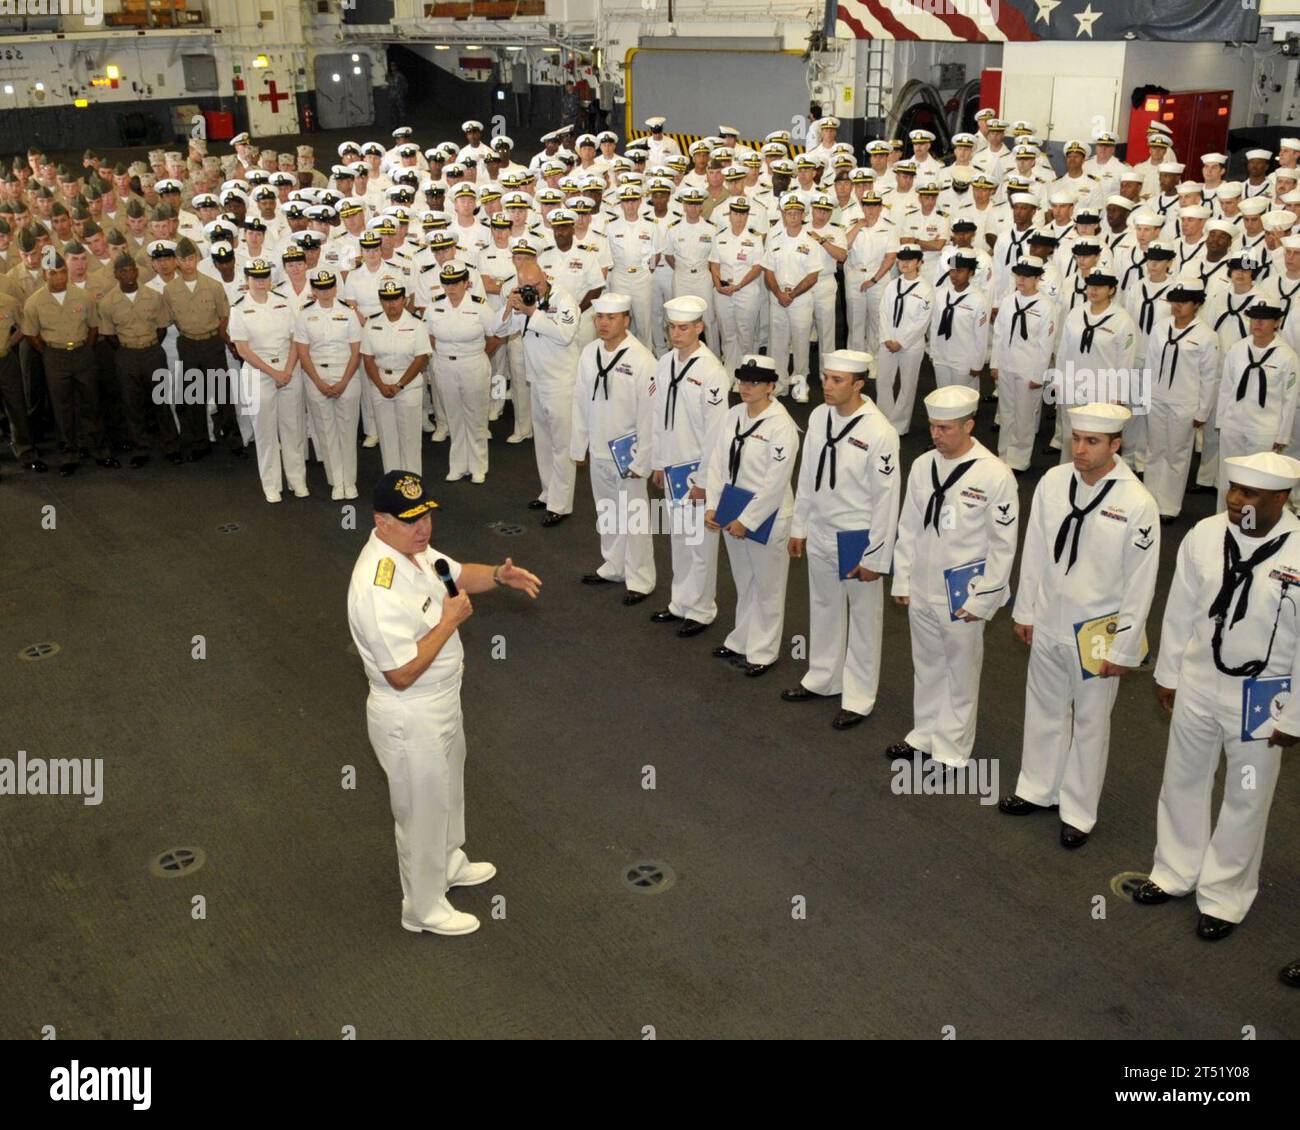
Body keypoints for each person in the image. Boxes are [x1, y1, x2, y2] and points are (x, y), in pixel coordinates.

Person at [347, 469, 541, 936]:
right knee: (420, 808)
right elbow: (400, 673)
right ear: (380, 521)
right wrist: (450, 622)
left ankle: (448, 863)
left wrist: (497, 575)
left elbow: (454, 573)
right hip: (409, 711)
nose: (424, 527)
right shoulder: (378, 585)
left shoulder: (414, 552)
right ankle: (423, 907)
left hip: (441, 701)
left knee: (447, 790)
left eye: (426, 515)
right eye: (411, 520)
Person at [1134, 452, 1300, 940]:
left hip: (1263, 698)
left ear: (1280, 498)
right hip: (1199, 681)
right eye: (1232, 488)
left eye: (1249, 494)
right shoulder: (1206, 536)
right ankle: (1174, 871)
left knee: (1246, 795)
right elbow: (1180, 609)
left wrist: (1294, 716)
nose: (1233, 499)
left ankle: (1225, 895)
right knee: (1183, 777)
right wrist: (1167, 672)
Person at [1001, 403, 1160, 848]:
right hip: (1049, 616)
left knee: (1091, 722)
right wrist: (1026, 610)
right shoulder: (1053, 483)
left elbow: (1141, 584)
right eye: (1076, 439)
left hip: (1098, 632)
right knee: (1044, 707)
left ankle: (1078, 811)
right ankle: (1037, 786)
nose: (1081, 449)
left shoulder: (1136, 502)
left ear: (1116, 444)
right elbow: (1033, 550)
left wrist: (1124, 649)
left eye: (1092, 442)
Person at [889, 385, 1019, 767]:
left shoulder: (995, 474)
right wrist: (902, 579)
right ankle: (925, 734)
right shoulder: (923, 465)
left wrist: (983, 599)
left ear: (969, 426)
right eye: (932, 427)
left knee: (961, 672)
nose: (936, 435)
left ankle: (952, 749)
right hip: (923, 585)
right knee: (927, 664)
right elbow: (909, 525)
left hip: (963, 591)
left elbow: (1003, 545)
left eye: (946, 429)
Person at [783, 349, 900, 728]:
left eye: (837, 381)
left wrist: (876, 557)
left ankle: (859, 696)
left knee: (865, 620)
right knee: (823, 606)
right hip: (819, 527)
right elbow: (806, 476)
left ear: (859, 384)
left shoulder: (878, 431)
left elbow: (887, 501)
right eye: (825, 379)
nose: (827, 387)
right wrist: (798, 526)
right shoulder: (818, 417)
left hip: (857, 537)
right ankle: (823, 677)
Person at [705, 355, 799, 676]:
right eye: (743, 381)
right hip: (733, 504)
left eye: (755, 382)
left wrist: (748, 519)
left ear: (772, 386)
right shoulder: (733, 415)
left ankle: (763, 651)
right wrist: (713, 504)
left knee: (768, 585)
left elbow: (776, 481)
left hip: (766, 514)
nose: (746, 387)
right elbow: (718, 461)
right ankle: (741, 639)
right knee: (744, 580)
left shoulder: (782, 426)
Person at [648, 294, 730, 636]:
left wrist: (703, 480)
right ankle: (679, 602)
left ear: (700, 328)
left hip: (696, 468)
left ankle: (701, 608)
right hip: (671, 465)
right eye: (672, 327)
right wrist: (657, 462)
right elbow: (657, 417)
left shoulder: (711, 371)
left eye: (684, 328)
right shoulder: (665, 362)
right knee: (678, 538)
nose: (676, 333)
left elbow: (717, 432)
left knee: (700, 543)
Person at [571, 292, 657, 604]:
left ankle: (641, 578)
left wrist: (644, 459)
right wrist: (579, 445)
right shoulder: (589, 352)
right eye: (599, 318)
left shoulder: (642, 359)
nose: (604, 324)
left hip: (629, 450)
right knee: (606, 511)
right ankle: (614, 565)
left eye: (611, 318)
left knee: (634, 515)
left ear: (626, 321)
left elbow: (649, 416)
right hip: (599, 447)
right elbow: (580, 400)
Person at [492, 253, 581, 526]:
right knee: (542, 443)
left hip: (561, 382)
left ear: (545, 278)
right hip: (537, 381)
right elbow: (498, 330)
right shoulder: (522, 300)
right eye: (525, 286)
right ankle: (547, 492)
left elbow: (564, 335)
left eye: (536, 284)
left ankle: (561, 504)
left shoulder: (564, 299)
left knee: (562, 446)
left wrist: (533, 312)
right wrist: (509, 306)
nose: (533, 290)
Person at [21, 251, 118, 477]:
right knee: (61, 407)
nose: (59, 277)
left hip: (83, 353)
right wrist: (48, 352)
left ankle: (99, 450)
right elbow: (31, 334)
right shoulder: (34, 302)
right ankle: (69, 455)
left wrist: (86, 348)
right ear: (45, 275)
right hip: (55, 356)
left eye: (62, 272)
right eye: (53, 273)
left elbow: (93, 327)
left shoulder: (83, 297)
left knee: (91, 402)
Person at [1141, 280, 1220, 523]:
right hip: (1157, 396)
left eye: (1183, 301)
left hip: (1185, 402)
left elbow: (1210, 377)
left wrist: (1202, 412)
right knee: (1155, 450)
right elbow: (1151, 363)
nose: (1177, 306)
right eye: (1174, 300)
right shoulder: (1161, 327)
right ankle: (1149, 499)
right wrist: (1145, 394)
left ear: (1196, 304)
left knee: (1177, 454)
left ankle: (1169, 506)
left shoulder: (1206, 335)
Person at [230, 257, 305, 503]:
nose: (261, 282)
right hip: (258, 373)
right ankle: (271, 485)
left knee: (292, 429)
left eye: (264, 277)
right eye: (256, 278)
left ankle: (297, 480)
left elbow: (296, 339)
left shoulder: (283, 303)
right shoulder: (239, 308)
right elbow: (242, 349)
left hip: (288, 368)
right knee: (265, 433)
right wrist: (275, 373)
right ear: (247, 280)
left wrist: (287, 370)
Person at [96, 251, 180, 468]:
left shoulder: (153, 296)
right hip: (126, 355)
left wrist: (149, 345)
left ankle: (171, 446)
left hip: (152, 351)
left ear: (137, 271)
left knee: (161, 401)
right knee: (132, 404)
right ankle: (140, 448)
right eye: (123, 271)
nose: (129, 275)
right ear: (116, 274)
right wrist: (128, 349)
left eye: (131, 270)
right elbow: (109, 335)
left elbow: (162, 327)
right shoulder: (107, 303)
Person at [424, 261, 503, 485]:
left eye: (456, 282)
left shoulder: (480, 306)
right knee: (454, 416)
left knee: (476, 417)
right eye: (446, 283)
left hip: (473, 364)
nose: (451, 287)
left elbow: (496, 335)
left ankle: (479, 466)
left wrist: (481, 354)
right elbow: (428, 335)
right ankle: (458, 465)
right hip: (444, 365)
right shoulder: (435, 307)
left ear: (466, 283)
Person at [1214, 302, 1298, 509]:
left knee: (1256, 483)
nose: (1257, 324)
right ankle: (1224, 518)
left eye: (1264, 320)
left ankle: (1250, 525)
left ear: (1277, 323)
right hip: (1234, 422)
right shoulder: (1239, 348)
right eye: (1254, 319)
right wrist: (1221, 421)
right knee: (1228, 476)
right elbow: (1226, 387)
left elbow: (1290, 399)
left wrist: (1282, 436)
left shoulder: (1286, 355)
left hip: (1264, 428)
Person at [293, 268, 363, 500]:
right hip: (316, 377)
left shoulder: (349, 313)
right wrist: (318, 382)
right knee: (326, 431)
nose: (325, 292)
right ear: (313, 290)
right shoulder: (304, 315)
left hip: (347, 374)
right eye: (320, 288)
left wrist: (343, 381)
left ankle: (349, 482)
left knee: (348, 430)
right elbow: (303, 353)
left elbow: (356, 352)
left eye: (329, 287)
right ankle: (335, 481)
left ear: (335, 288)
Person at [362, 279, 431, 477]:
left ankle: (412, 481)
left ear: (404, 299)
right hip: (380, 381)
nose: (391, 304)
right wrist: (381, 385)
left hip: (408, 383)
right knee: (387, 436)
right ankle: (392, 481)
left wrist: (399, 385)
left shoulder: (416, 324)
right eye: (386, 299)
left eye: (395, 299)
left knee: (409, 437)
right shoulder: (372, 324)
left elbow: (421, 358)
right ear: (380, 300)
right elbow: (368, 358)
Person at [874, 246, 933, 436]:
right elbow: (883, 312)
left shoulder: (925, 289)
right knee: (883, 381)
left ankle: (899, 425)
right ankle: (884, 419)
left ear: (919, 263)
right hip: (888, 341)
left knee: (907, 386)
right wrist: (887, 338)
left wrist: (901, 341)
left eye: (910, 259)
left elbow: (921, 322)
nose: (904, 263)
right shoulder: (892, 285)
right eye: (901, 260)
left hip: (911, 345)